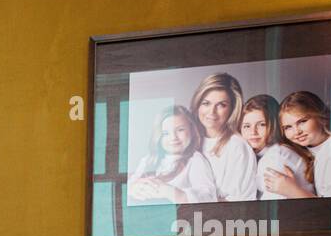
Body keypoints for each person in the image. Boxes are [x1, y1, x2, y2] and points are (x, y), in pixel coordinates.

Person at [126, 105, 217, 205]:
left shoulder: (195, 160)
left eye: (180, 130)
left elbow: (207, 196)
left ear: (192, 131)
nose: (173, 137)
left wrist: (168, 191)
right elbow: (130, 186)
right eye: (165, 133)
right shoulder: (149, 159)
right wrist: (134, 188)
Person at [276, 90, 331, 197]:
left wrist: (293, 191)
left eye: (302, 121)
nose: (296, 132)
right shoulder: (313, 151)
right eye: (288, 127)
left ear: (321, 117)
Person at [190, 72, 257, 201]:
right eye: (206, 103)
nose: (212, 112)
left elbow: (242, 200)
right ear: (197, 104)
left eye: (221, 105)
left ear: (232, 109)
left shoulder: (237, 146)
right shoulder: (188, 140)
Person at [239, 93, 315, 200]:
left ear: (274, 125)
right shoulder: (263, 154)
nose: (253, 132)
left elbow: (273, 209)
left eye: (262, 124)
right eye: (247, 126)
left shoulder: (275, 157)